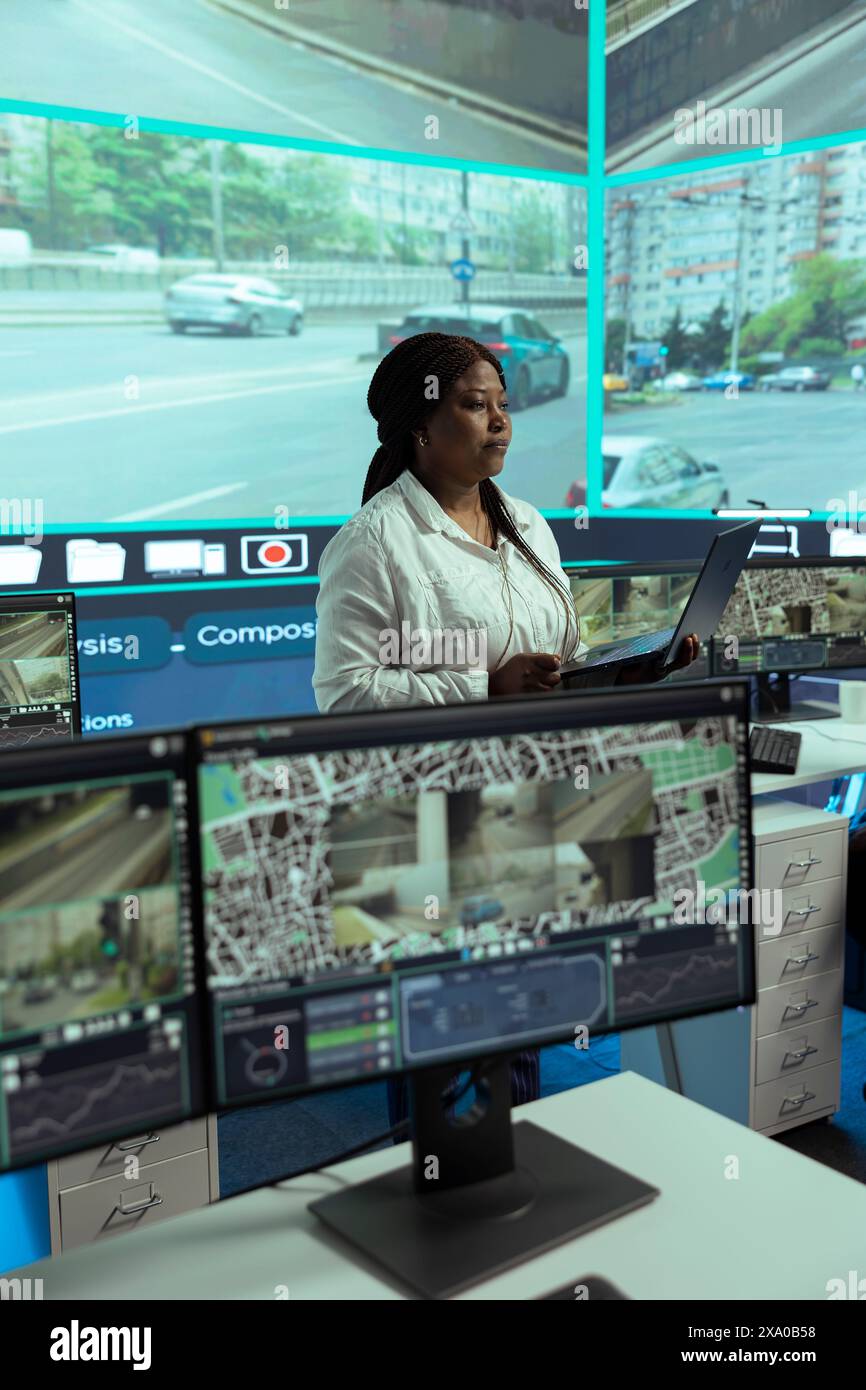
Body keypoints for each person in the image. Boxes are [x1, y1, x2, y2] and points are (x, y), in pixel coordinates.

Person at [313, 333, 700, 1117]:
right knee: (447, 1056)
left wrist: (635, 664)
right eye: (474, 404)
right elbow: (345, 694)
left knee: (513, 1032)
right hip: (427, 823)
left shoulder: (525, 522)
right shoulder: (373, 543)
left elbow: (562, 653)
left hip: (530, 803)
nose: (499, 422)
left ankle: (502, 1195)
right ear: (419, 425)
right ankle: (431, 1205)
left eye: (504, 405)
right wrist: (483, 685)